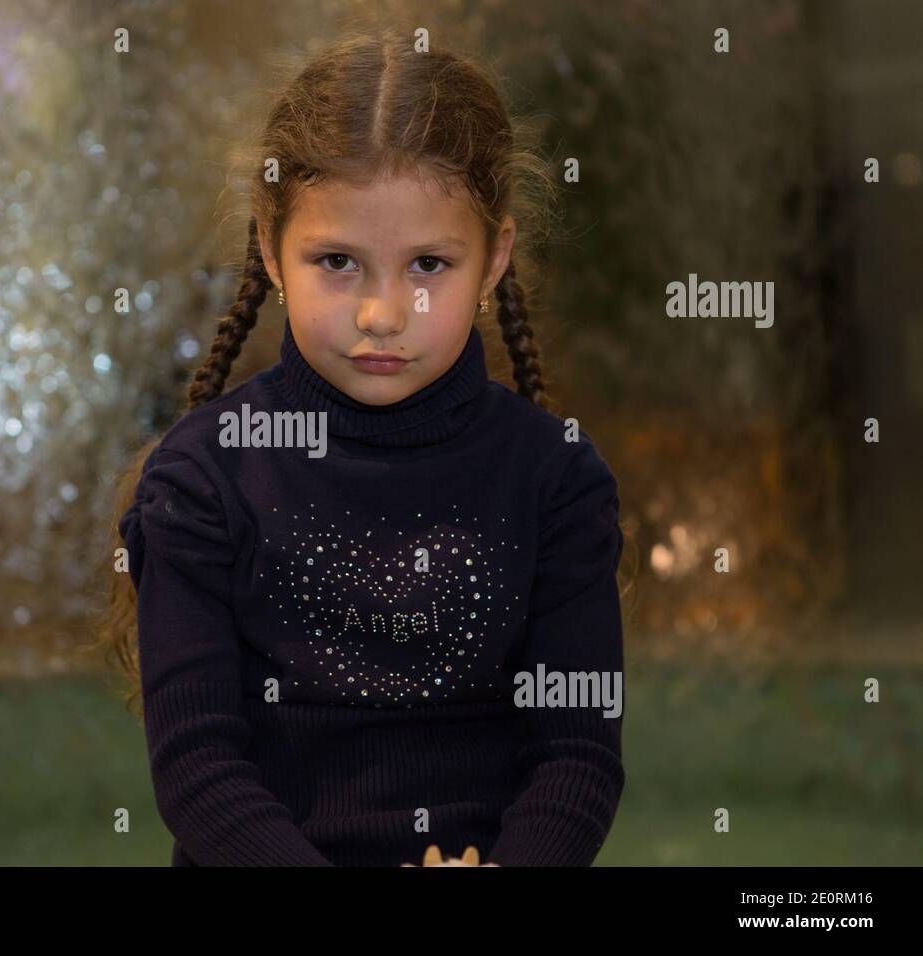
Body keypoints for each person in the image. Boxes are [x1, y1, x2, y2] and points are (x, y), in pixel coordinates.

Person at [100, 27, 627, 867]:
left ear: (494, 262)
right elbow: (199, 770)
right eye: (338, 261)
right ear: (272, 251)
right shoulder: (203, 478)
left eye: (428, 265)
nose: (383, 314)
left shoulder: (556, 479)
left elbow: (576, 756)